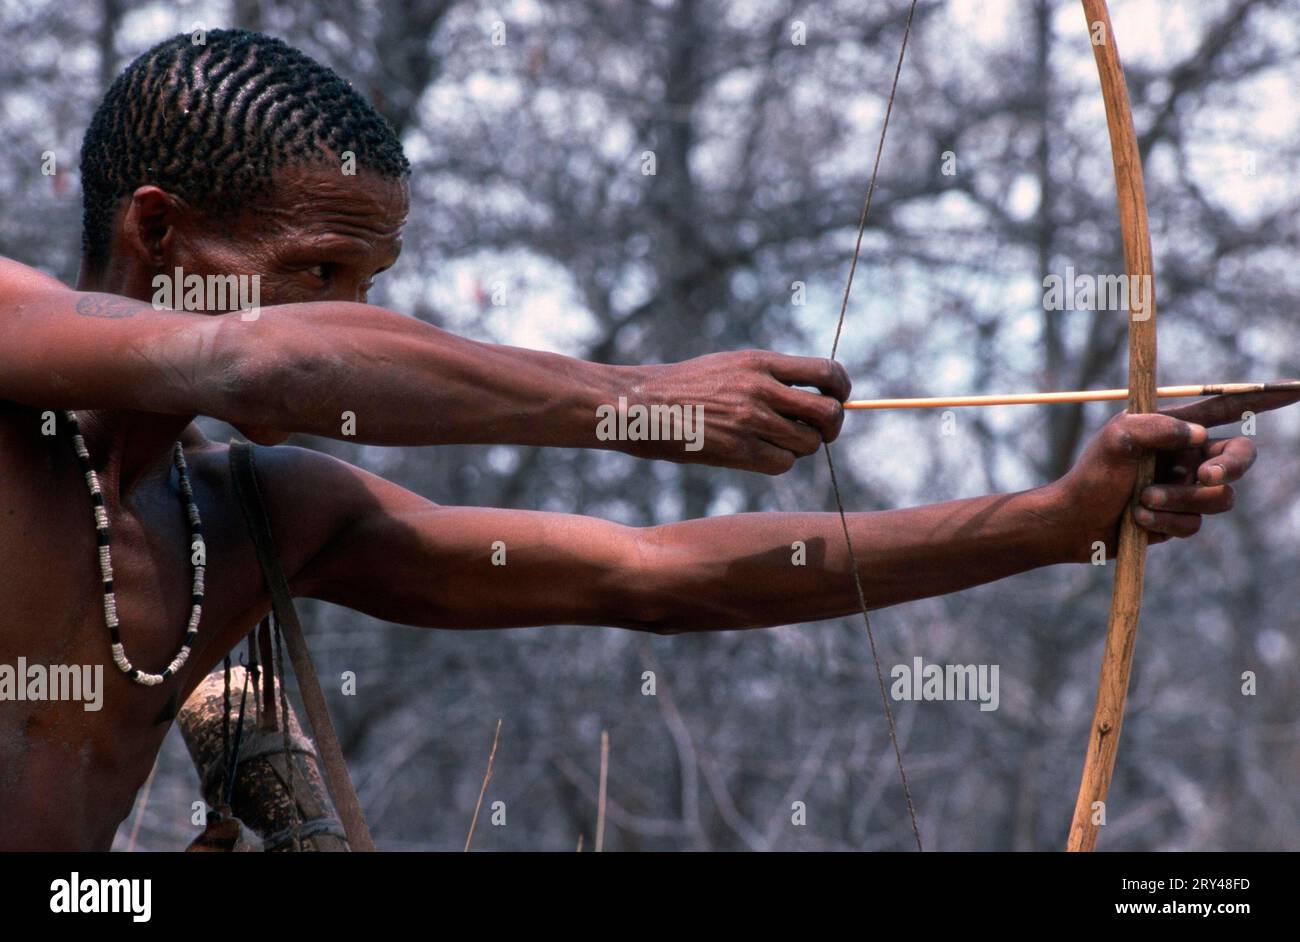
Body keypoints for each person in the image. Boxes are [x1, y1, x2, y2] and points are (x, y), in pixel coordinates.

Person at [0, 29, 1288, 850]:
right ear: (160, 233)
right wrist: (642, 401)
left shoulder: (250, 519)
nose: (351, 315)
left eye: (370, 278)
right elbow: (257, 361)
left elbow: (654, 575)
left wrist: (1055, 523)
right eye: (319, 265)